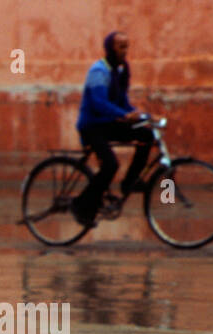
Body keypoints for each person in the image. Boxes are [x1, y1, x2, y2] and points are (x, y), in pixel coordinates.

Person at [70, 31, 152, 228]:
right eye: (121, 46)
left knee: (146, 135)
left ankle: (130, 182)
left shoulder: (120, 72)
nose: (125, 51)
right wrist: (123, 115)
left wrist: (139, 114)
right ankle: (81, 206)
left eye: (127, 46)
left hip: (108, 124)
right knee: (110, 165)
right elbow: (99, 103)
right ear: (111, 49)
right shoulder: (99, 71)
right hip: (92, 126)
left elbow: (122, 102)